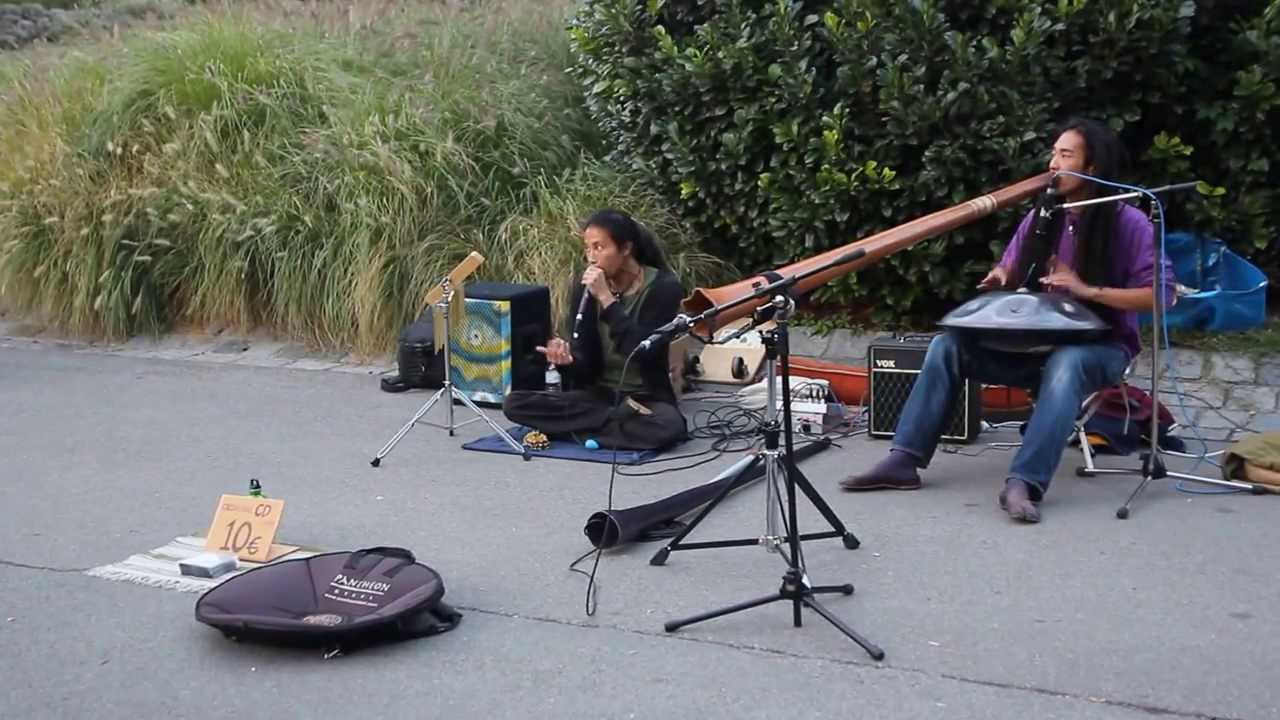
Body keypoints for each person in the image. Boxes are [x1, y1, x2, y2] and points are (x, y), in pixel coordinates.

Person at [839, 117, 1176, 523]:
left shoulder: (1130, 223)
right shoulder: (1044, 216)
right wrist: (1003, 276)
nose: (1052, 163)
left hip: (1101, 349)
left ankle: (1024, 482)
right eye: (1053, 153)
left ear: (1092, 168)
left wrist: (1086, 290)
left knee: (1066, 364)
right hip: (1035, 345)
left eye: (1065, 155)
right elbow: (1013, 267)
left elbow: (1162, 296)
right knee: (947, 346)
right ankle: (903, 460)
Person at [502, 209, 688, 451]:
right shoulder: (583, 290)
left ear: (625, 249)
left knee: (669, 426)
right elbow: (586, 366)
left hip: (644, 396)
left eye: (599, 248)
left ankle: (579, 430)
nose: (591, 257)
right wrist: (567, 360)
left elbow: (640, 350)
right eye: (588, 249)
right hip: (599, 396)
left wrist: (606, 299)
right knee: (514, 403)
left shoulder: (663, 288)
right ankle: (611, 428)